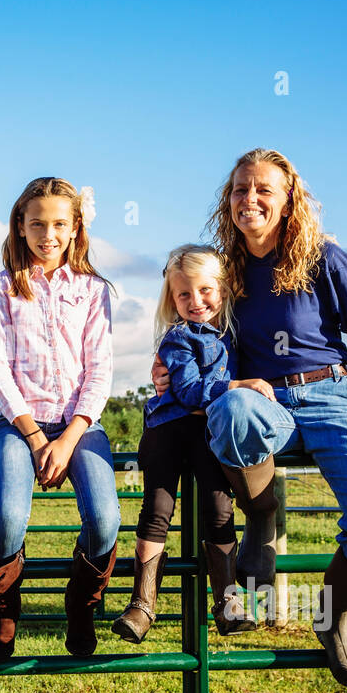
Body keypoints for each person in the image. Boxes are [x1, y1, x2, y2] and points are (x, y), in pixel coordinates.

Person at [156, 149, 347, 688]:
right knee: (230, 409)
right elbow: (199, 328)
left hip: (332, 395)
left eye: (262, 190)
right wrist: (169, 367)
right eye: (238, 190)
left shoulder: (323, 258)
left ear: (288, 200)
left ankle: (334, 617)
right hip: (262, 399)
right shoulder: (225, 271)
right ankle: (261, 517)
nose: (248, 199)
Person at [0, 178, 119, 660]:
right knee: (10, 517)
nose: (48, 234)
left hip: (80, 425)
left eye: (59, 223)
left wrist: (68, 437)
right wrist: (36, 436)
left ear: (76, 226)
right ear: (20, 225)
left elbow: (100, 369)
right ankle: (4, 607)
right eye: (36, 223)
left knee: (105, 519)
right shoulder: (3, 288)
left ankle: (81, 603)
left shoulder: (93, 289)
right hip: (19, 426)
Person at [113, 245, 272, 643]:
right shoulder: (178, 338)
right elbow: (186, 390)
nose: (195, 301)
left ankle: (227, 602)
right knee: (158, 508)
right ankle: (142, 604)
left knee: (219, 509)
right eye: (183, 294)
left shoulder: (236, 335)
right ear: (171, 299)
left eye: (205, 290)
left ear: (222, 289)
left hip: (208, 434)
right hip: (170, 428)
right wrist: (237, 385)